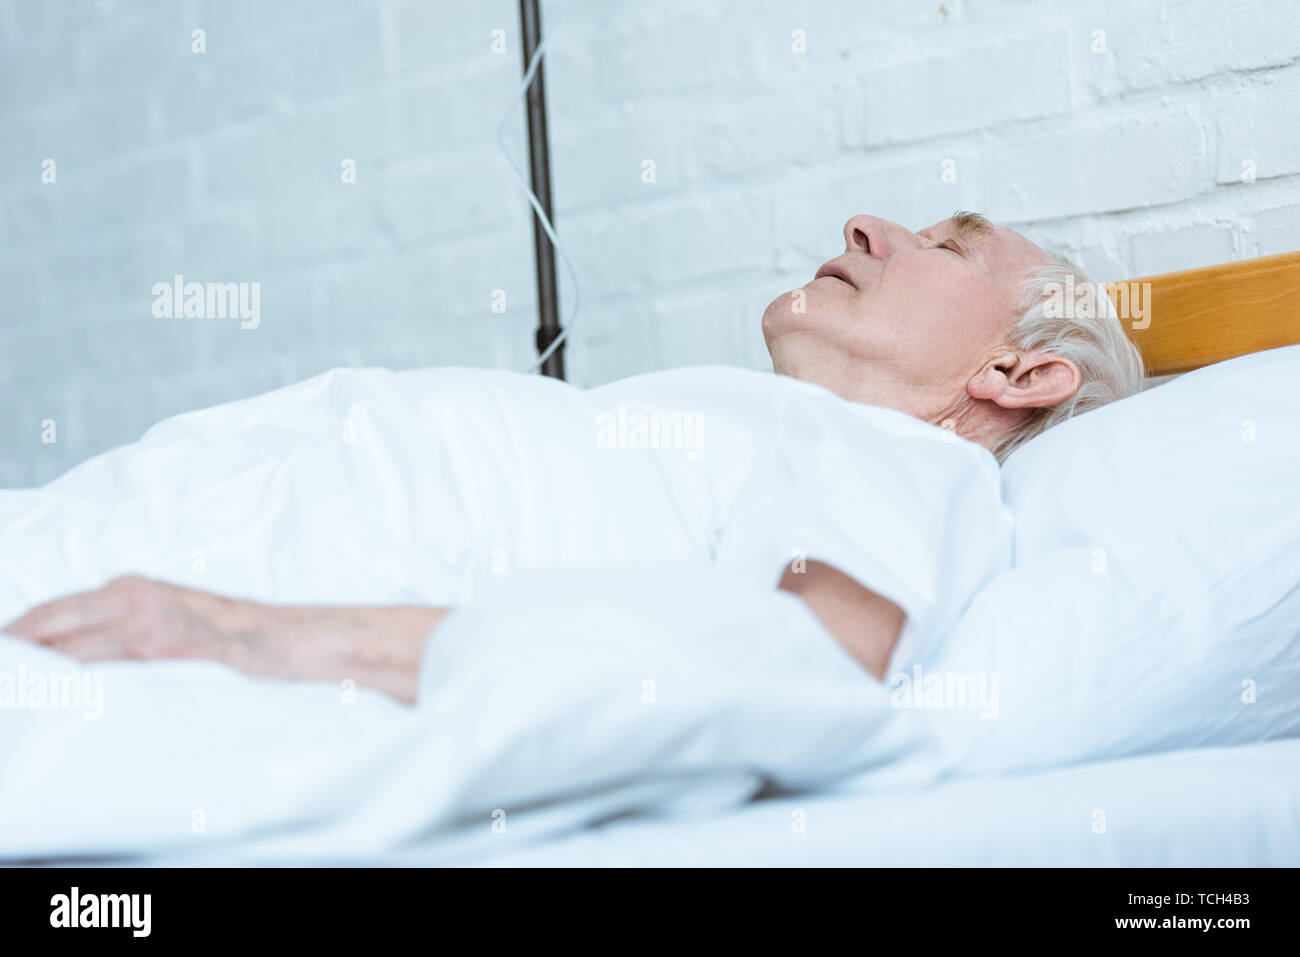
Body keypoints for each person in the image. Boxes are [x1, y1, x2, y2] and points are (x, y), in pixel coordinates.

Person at [2, 211, 1144, 702]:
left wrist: (256, 633)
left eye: (949, 246)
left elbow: (803, 654)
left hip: (123, 613)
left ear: (1016, 375)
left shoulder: (903, 466)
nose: (864, 227)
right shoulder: (760, 435)